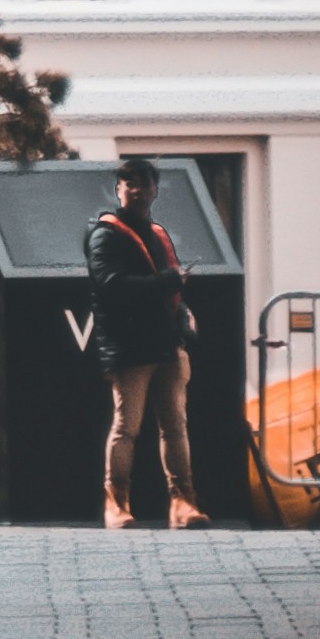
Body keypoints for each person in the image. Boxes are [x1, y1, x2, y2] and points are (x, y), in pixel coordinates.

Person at [86, 151, 204, 531]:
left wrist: (183, 312)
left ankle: (183, 502)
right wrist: (171, 285)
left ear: (155, 190)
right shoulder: (105, 235)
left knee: (175, 427)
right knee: (127, 428)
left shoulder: (157, 234)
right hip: (131, 348)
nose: (137, 190)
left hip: (167, 344)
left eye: (144, 184)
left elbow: (167, 285)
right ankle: (115, 503)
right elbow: (111, 287)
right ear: (118, 189)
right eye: (129, 184)